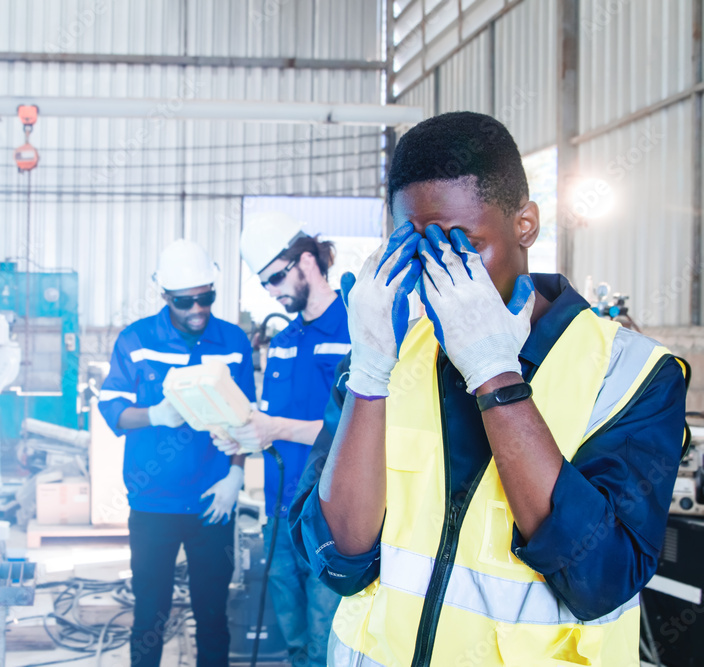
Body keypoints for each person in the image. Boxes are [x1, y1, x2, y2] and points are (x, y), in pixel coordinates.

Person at [291, 111, 689, 666]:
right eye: (418, 251)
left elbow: (600, 580)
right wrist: (370, 375)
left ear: (525, 224)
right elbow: (338, 562)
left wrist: (495, 375)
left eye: (463, 247)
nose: (440, 275)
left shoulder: (632, 373)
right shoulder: (387, 355)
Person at [98, 239, 256, 667]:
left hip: (213, 501)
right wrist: (155, 415)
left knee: (213, 614)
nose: (198, 309)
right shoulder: (136, 340)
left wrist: (235, 476)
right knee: (150, 613)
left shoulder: (233, 342)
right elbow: (111, 407)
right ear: (165, 296)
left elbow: (245, 417)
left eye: (206, 298)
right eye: (186, 301)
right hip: (153, 504)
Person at [220, 212, 350, 667]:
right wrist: (244, 436)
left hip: (331, 517)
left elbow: (361, 431)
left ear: (307, 261)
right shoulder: (283, 341)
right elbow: (271, 424)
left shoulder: (356, 330)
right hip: (279, 513)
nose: (272, 292)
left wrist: (274, 428)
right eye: (265, 284)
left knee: (327, 644)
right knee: (294, 642)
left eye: (276, 278)